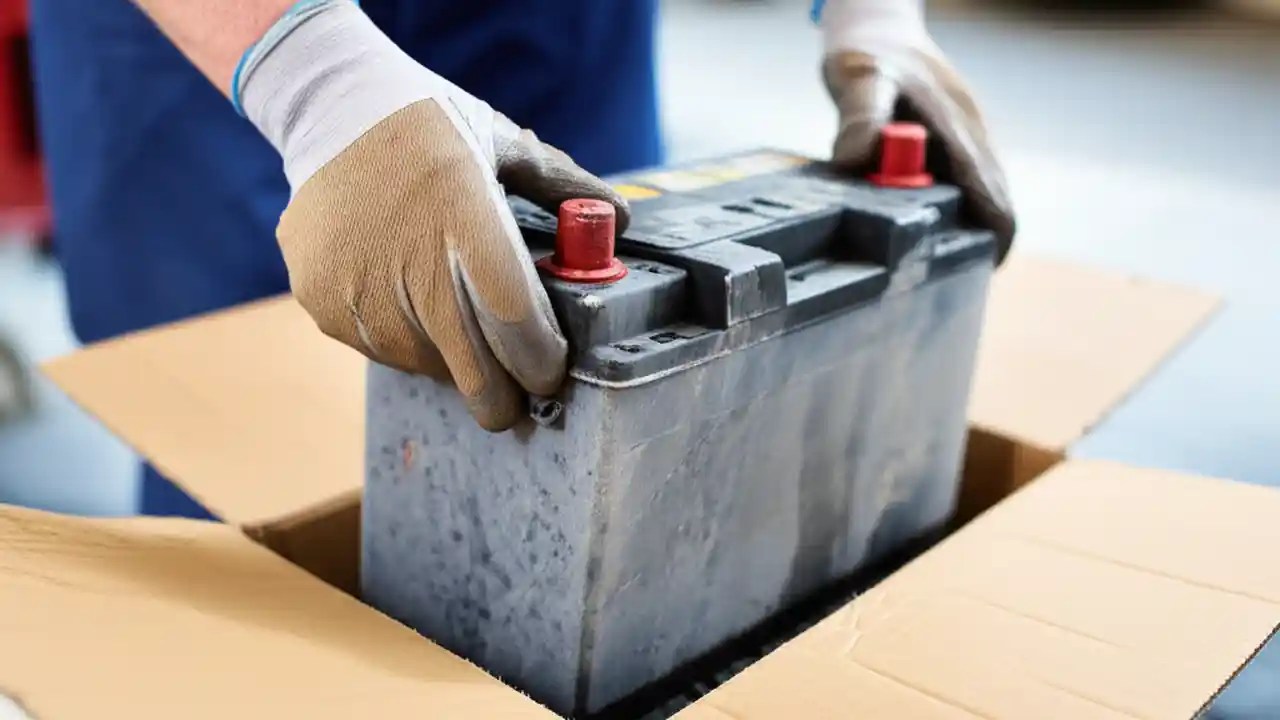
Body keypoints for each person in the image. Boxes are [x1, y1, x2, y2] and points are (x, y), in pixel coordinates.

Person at [28, 0, 1013, 517]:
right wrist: (307, 73)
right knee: (232, 420)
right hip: (204, 29)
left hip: (544, 15)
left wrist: (874, 13)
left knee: (600, 359)